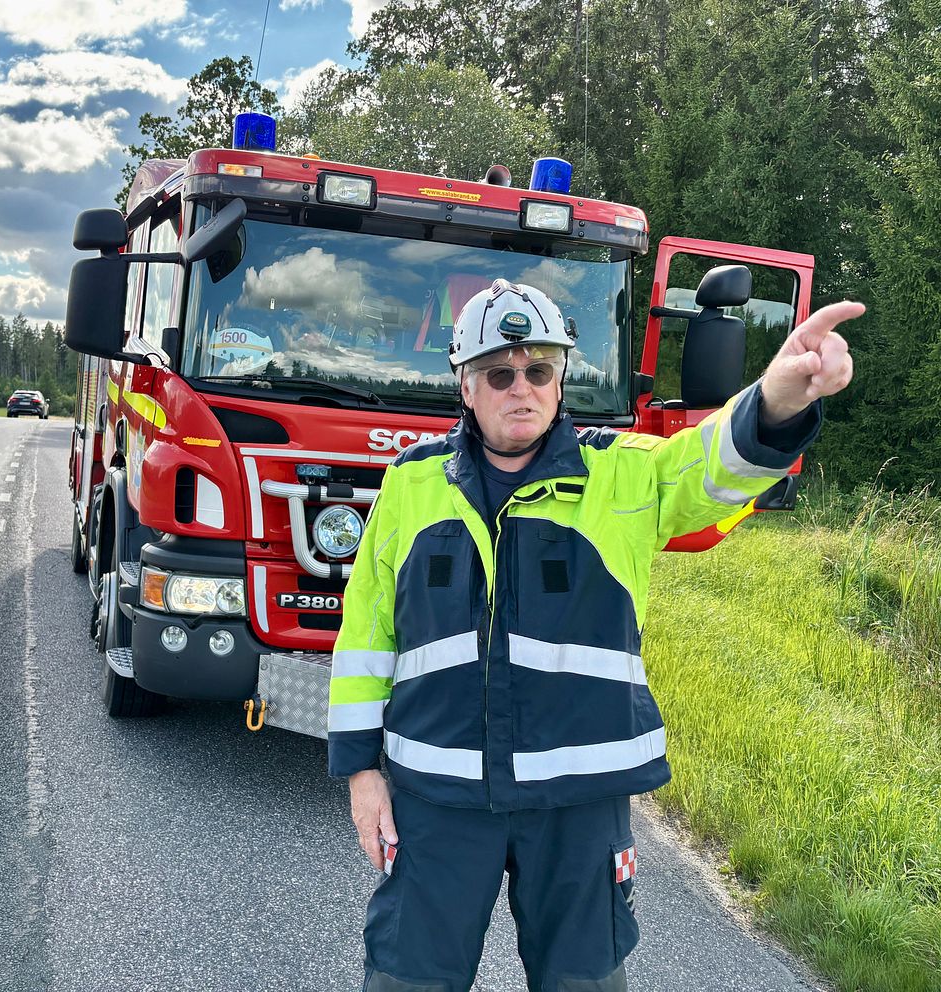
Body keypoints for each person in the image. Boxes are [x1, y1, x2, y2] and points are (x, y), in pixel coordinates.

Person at [328, 278, 861, 992]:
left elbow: (710, 465)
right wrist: (362, 772)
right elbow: (367, 633)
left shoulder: (623, 475)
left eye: (539, 370)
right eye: (499, 373)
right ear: (465, 385)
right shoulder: (412, 484)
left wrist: (779, 397)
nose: (521, 387)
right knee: (406, 979)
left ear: (560, 377)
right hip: (439, 796)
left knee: (582, 983)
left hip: (580, 803)